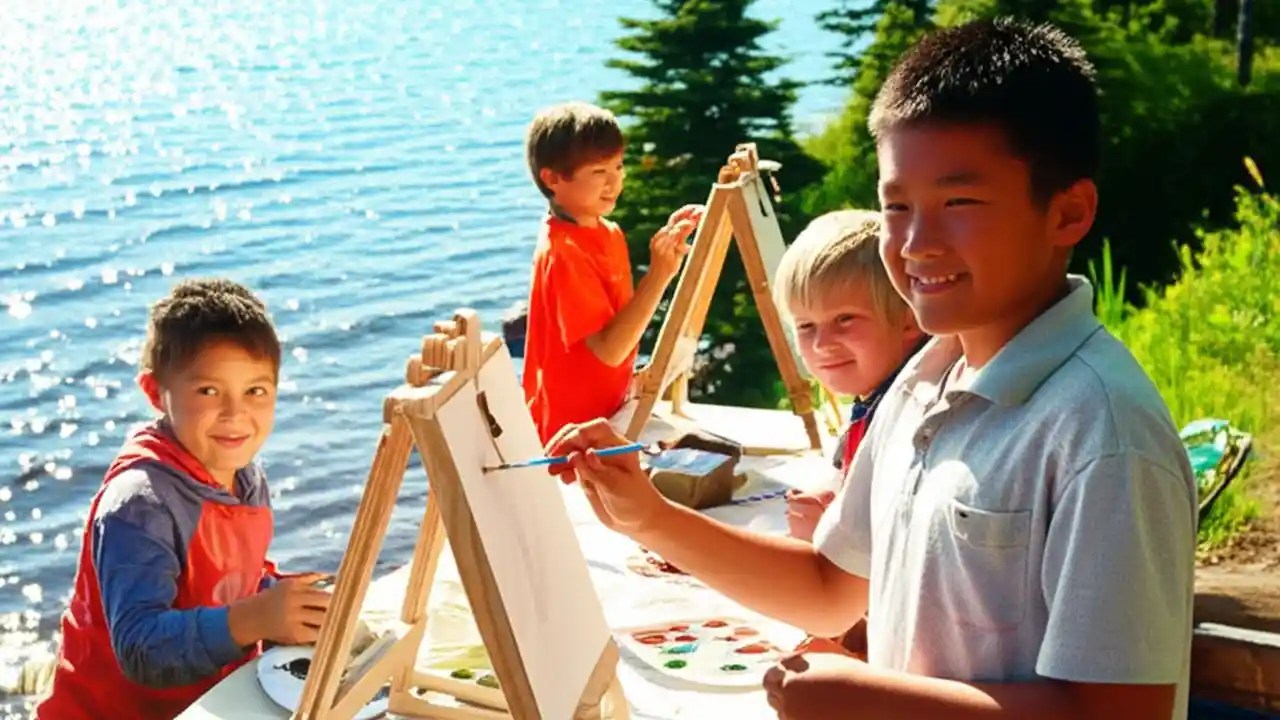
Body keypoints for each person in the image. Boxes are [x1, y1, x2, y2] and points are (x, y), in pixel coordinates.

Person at [545, 18, 1196, 720]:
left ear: (1068, 212)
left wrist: (871, 700)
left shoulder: (1105, 435)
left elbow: (1123, 712)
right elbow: (830, 586)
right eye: (897, 206)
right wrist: (649, 516)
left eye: (959, 203)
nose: (917, 242)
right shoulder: (920, 383)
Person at [36, 278, 333, 719]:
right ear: (156, 392)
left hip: (205, 702)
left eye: (256, 391)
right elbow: (141, 650)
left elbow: (227, 581)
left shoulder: (244, 476)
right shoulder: (139, 506)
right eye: (208, 391)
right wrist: (255, 618)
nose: (235, 415)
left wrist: (285, 602)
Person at [520, 100, 702, 444]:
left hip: (613, 414)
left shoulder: (609, 233)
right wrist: (661, 273)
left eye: (618, 167)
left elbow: (621, 326)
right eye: (599, 172)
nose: (614, 183)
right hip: (570, 433)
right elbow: (610, 350)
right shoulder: (563, 253)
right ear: (553, 179)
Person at [773, 209, 925, 543]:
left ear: (909, 318)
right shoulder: (876, 400)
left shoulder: (916, 422)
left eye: (844, 319)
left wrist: (831, 531)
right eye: (805, 326)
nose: (822, 344)